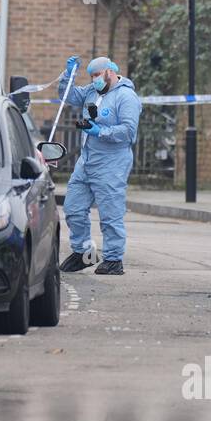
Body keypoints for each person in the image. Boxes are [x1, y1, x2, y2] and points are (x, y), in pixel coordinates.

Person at [58, 55, 142, 275]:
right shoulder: (90, 92)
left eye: (97, 75)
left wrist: (100, 131)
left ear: (110, 71)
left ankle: (114, 259)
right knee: (73, 209)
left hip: (111, 162)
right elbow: (66, 95)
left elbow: (128, 132)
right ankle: (84, 253)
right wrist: (69, 75)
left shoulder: (126, 97)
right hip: (87, 161)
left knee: (110, 213)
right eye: (91, 75)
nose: (94, 79)